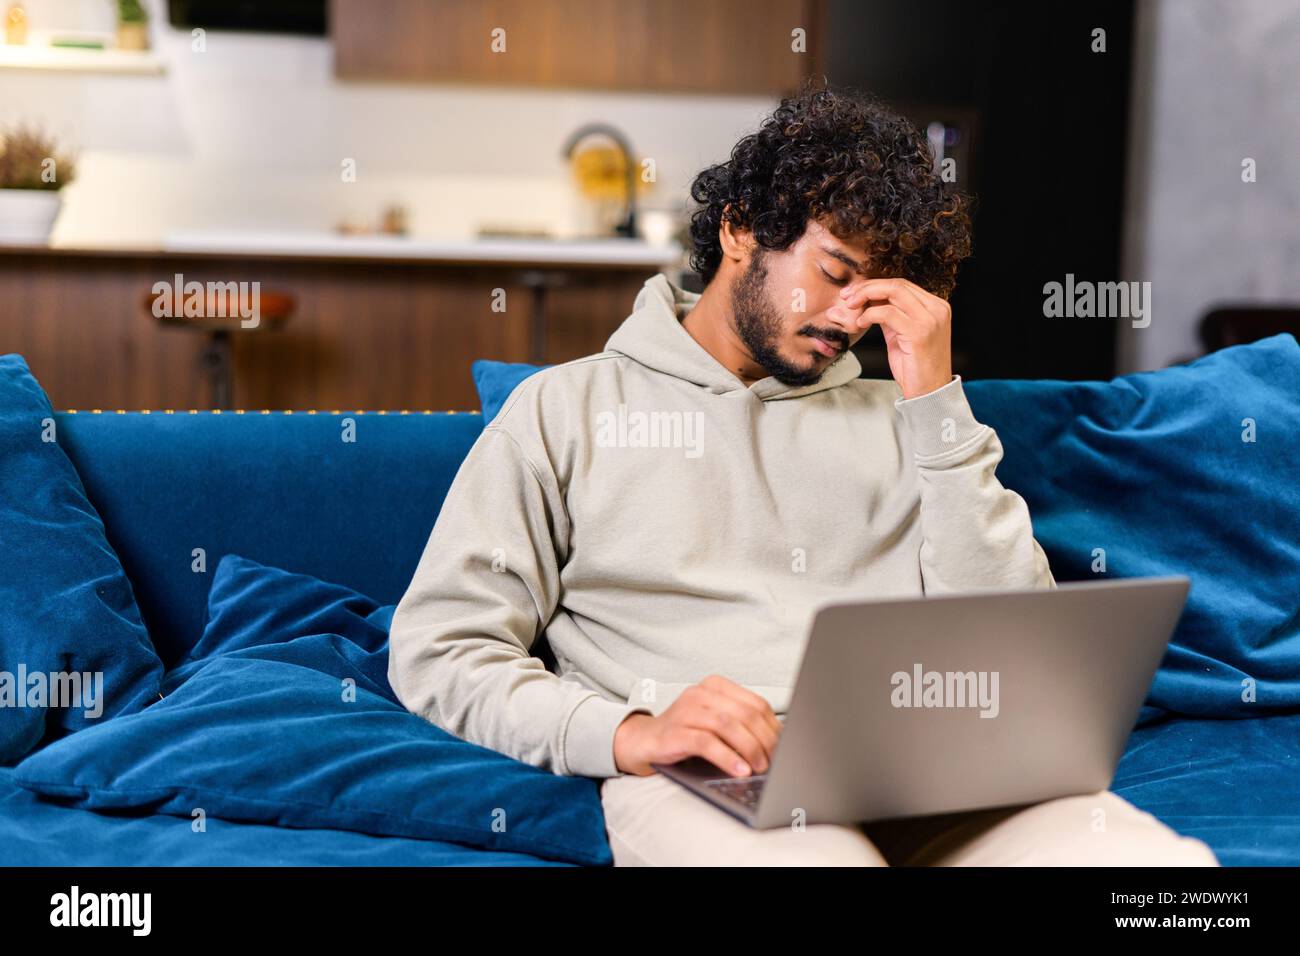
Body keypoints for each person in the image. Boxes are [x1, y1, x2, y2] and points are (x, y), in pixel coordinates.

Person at [388, 82, 1219, 866]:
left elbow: (1017, 650)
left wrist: (934, 404)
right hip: (719, 778)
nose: (847, 317)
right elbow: (440, 648)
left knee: (1160, 877)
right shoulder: (563, 409)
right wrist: (627, 731)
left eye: (879, 289)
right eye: (833, 272)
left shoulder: (911, 419)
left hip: (931, 777)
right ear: (741, 229)